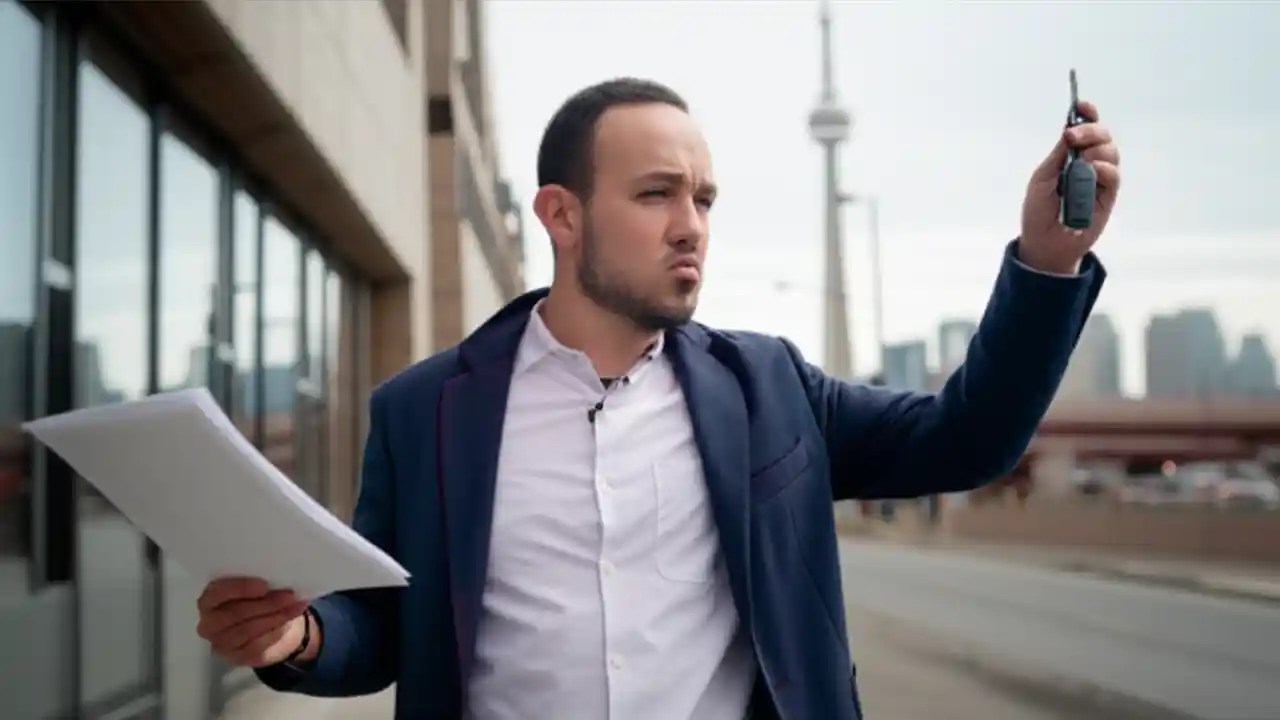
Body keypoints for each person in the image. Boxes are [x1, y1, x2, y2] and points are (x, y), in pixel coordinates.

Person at [195, 77, 1119, 719]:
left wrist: (1049, 260)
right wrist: (299, 637)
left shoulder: (770, 391)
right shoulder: (423, 411)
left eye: (705, 199)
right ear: (561, 215)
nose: (692, 227)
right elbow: (385, 626)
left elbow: (968, 441)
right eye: (656, 194)